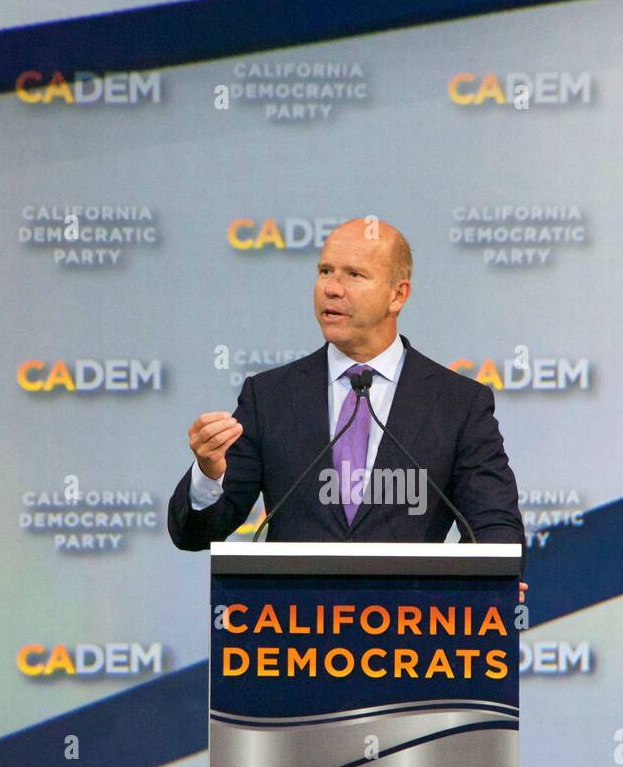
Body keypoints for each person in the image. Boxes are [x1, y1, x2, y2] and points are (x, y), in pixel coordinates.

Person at [167, 217, 526, 591]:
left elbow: (494, 523)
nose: (332, 289)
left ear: (397, 295)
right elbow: (195, 534)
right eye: (325, 271)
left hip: (412, 636)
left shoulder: (457, 404)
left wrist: (490, 585)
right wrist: (209, 473)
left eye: (354, 275)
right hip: (291, 637)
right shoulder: (270, 396)